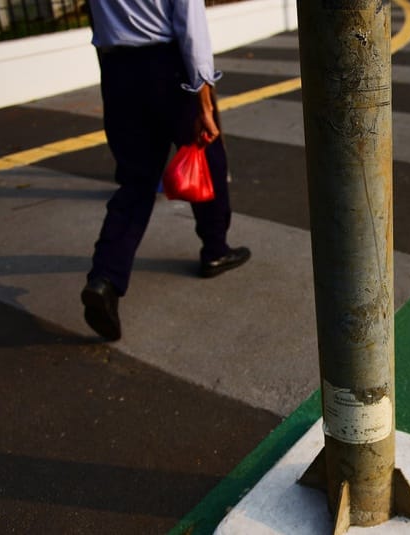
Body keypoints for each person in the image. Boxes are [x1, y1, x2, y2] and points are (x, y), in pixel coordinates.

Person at [80, 0, 250, 341]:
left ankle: (105, 278)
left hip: (117, 70)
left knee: (135, 182)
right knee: (207, 156)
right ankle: (215, 248)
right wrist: (204, 100)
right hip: (167, 66)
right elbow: (191, 24)